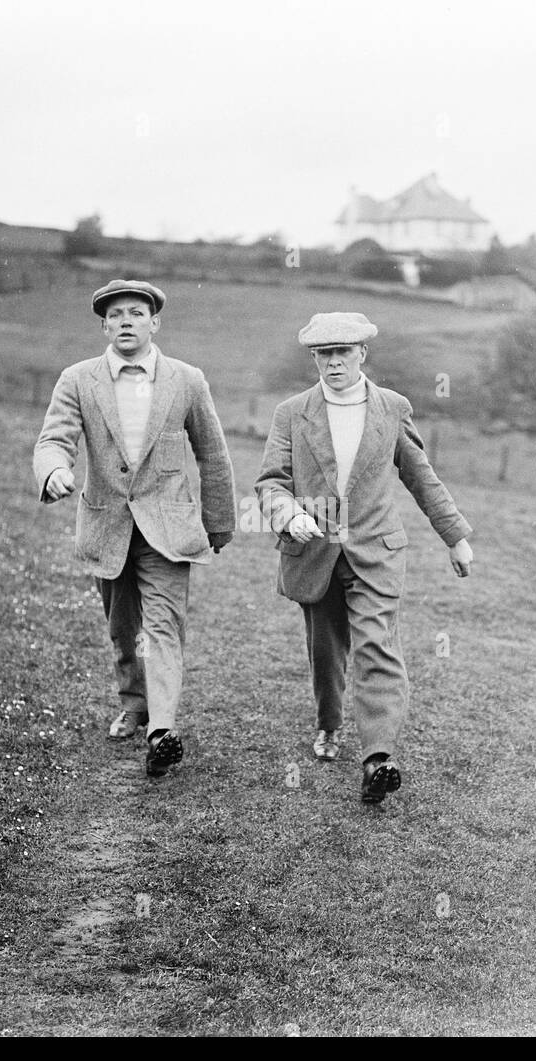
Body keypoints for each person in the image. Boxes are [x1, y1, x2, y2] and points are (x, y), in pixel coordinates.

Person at [254, 312, 473, 805]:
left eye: (342, 353)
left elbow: (421, 476)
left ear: (362, 355)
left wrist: (455, 536)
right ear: (314, 358)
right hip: (313, 551)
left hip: (378, 551)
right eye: (322, 354)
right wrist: (288, 513)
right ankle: (329, 724)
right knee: (327, 651)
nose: (332, 363)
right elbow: (270, 482)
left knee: (377, 645)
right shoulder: (291, 412)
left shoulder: (393, 408)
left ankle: (378, 757)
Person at [34, 279, 236, 777]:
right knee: (123, 628)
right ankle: (134, 702)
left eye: (136, 313)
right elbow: (53, 439)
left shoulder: (187, 379)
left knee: (165, 628)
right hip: (107, 525)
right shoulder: (78, 379)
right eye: (116, 314)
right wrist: (55, 470)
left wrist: (219, 521)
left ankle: (162, 731)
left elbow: (212, 453)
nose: (126, 321)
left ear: (154, 323)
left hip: (169, 528)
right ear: (105, 325)